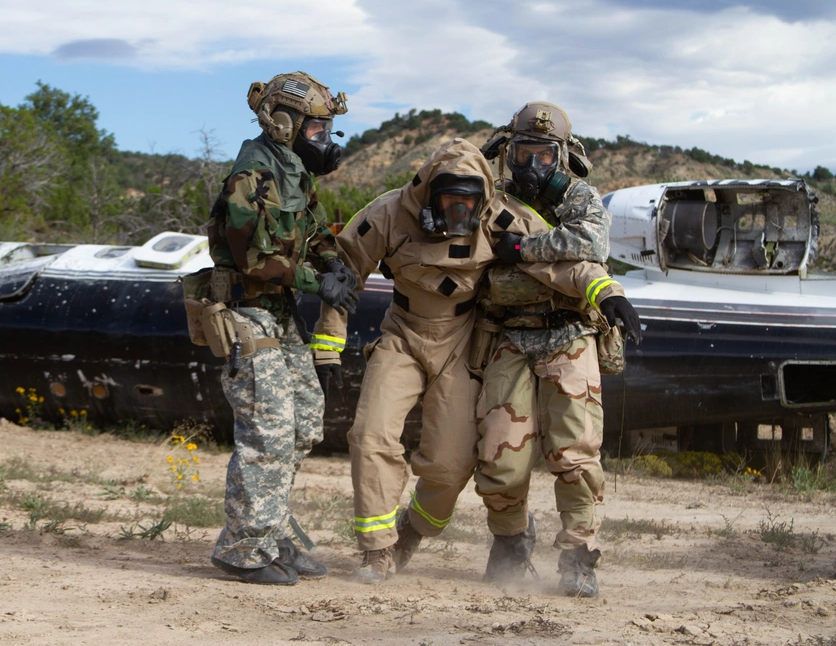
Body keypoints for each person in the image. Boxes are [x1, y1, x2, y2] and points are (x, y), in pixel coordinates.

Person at [311, 137, 621, 584]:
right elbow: (343, 272)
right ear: (428, 191)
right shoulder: (389, 213)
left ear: (483, 198)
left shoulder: (501, 215)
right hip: (402, 332)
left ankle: (412, 530)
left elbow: (560, 261)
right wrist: (328, 347)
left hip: (463, 341)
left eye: (468, 203)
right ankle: (377, 552)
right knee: (370, 435)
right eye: (449, 201)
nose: (459, 213)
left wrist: (607, 292)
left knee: (452, 464)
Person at [473, 101, 642, 598]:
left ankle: (578, 557)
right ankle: (509, 543)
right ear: (508, 152)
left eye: (544, 157)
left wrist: (523, 250)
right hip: (510, 336)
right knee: (499, 459)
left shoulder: (580, 196)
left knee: (575, 456)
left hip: (569, 336)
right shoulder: (495, 197)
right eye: (523, 153)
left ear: (562, 157)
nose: (532, 166)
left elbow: (590, 243)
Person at [200, 71, 359, 586]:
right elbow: (253, 260)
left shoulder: (294, 172)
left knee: (303, 422)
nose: (325, 141)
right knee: (266, 431)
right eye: (318, 130)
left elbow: (313, 231)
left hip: (280, 311)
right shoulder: (251, 175)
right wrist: (318, 281)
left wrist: (334, 263)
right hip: (248, 310)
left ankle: (269, 531)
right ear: (286, 123)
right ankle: (244, 549)